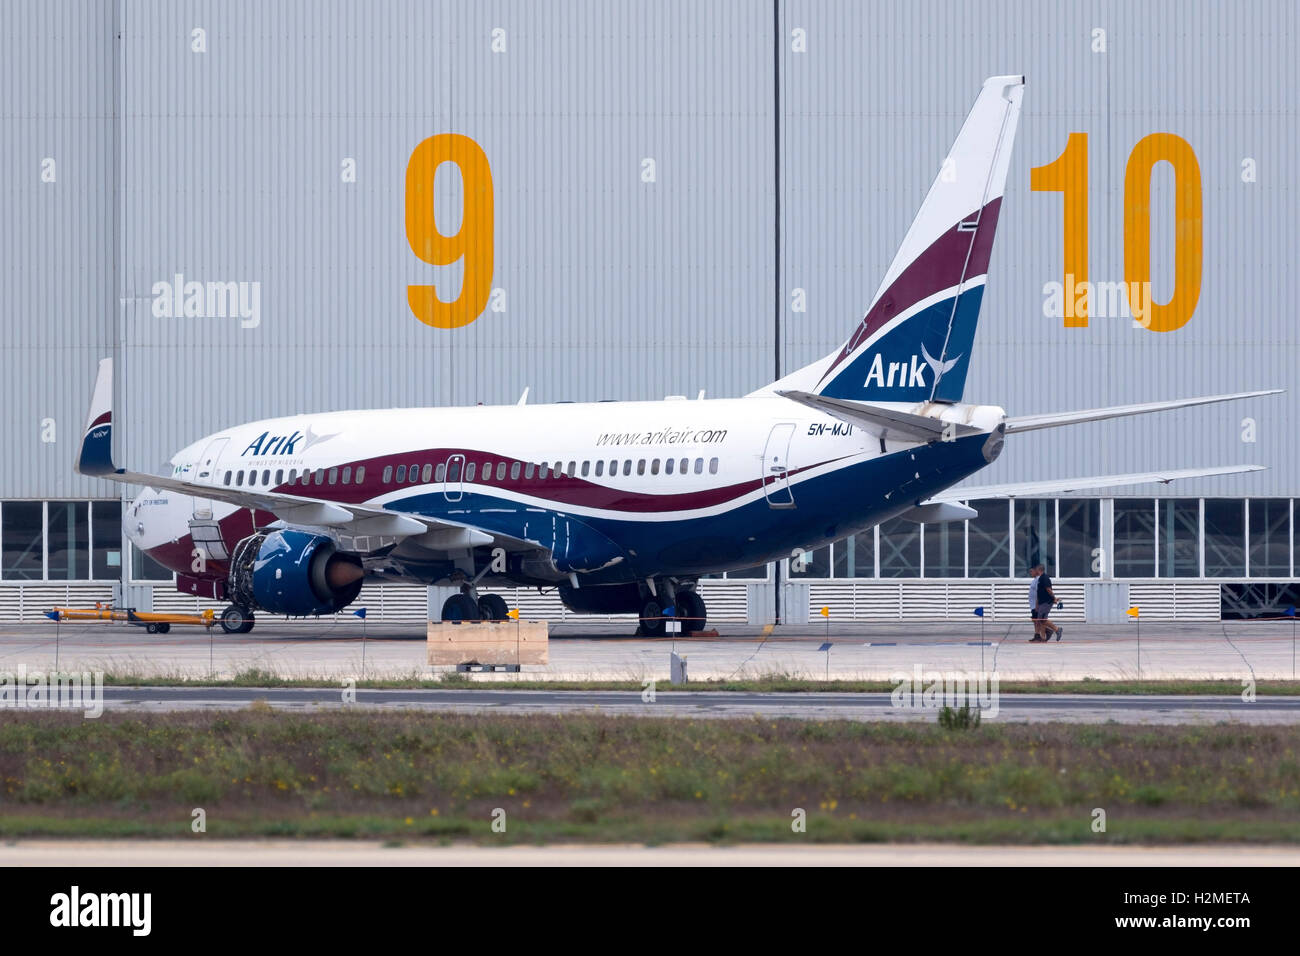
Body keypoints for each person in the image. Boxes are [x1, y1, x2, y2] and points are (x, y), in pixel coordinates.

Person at [1035, 563, 1063, 642]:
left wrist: (1054, 598)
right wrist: (1037, 604)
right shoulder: (1040, 578)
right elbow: (1040, 592)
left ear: (1039, 570)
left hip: (1046, 602)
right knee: (1041, 620)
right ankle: (1043, 637)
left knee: (1042, 619)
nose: (1035, 571)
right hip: (1042, 602)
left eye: (1036, 570)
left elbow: (1049, 589)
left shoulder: (1045, 578)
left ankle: (1057, 629)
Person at [1027, 564, 1044, 642]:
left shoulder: (1038, 579)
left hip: (1035, 605)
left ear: (1036, 571)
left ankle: (1039, 635)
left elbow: (1038, 592)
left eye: (1031, 571)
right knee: (1035, 620)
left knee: (1037, 621)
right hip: (1033, 605)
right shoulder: (1034, 579)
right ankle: (1037, 635)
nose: (1030, 573)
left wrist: (1037, 605)